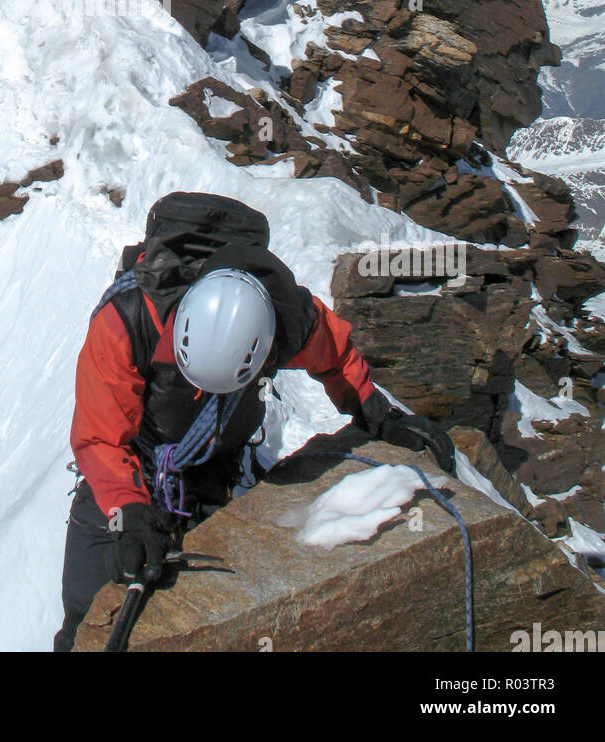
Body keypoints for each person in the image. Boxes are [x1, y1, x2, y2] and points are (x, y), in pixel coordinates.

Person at [53, 191, 455, 652]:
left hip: (212, 475)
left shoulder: (284, 318)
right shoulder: (126, 318)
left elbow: (337, 356)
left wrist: (377, 416)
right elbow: (101, 436)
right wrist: (130, 511)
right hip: (130, 469)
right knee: (87, 613)